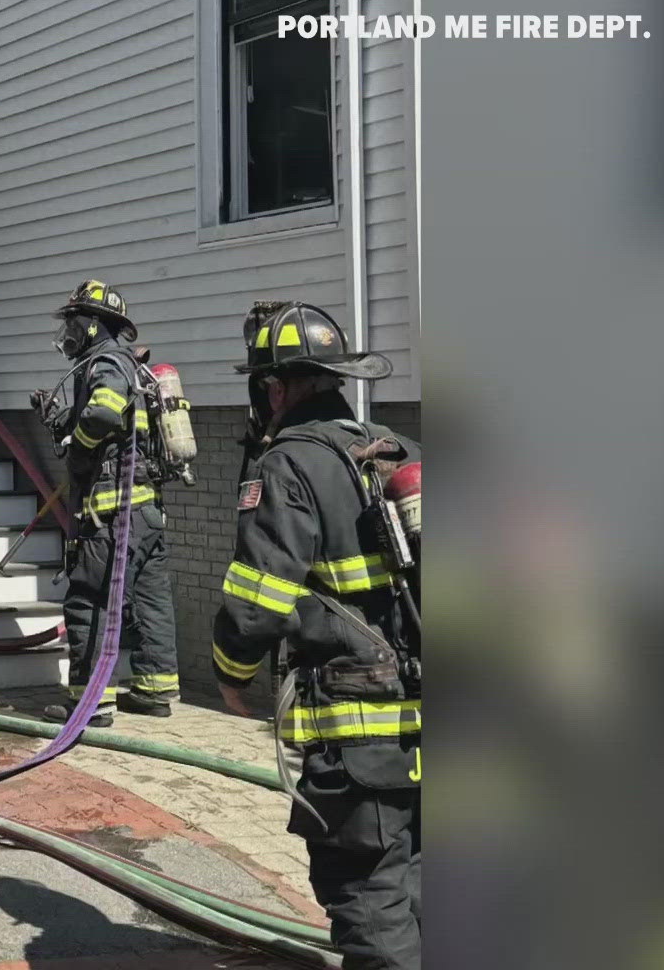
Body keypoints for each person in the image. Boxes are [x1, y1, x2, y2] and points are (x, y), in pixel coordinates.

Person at [210, 301, 420, 969]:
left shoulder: (287, 465)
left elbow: (257, 601)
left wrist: (231, 674)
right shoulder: (403, 452)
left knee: (368, 892)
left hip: (360, 740)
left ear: (274, 388)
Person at [30, 280, 180, 726]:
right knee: (150, 597)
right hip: (146, 510)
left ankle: (91, 699)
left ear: (94, 326)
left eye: (75, 322)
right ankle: (155, 687)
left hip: (113, 513)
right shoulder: (127, 364)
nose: (69, 332)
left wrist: (76, 448)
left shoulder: (106, 363)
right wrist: (61, 421)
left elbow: (102, 414)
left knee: (88, 598)